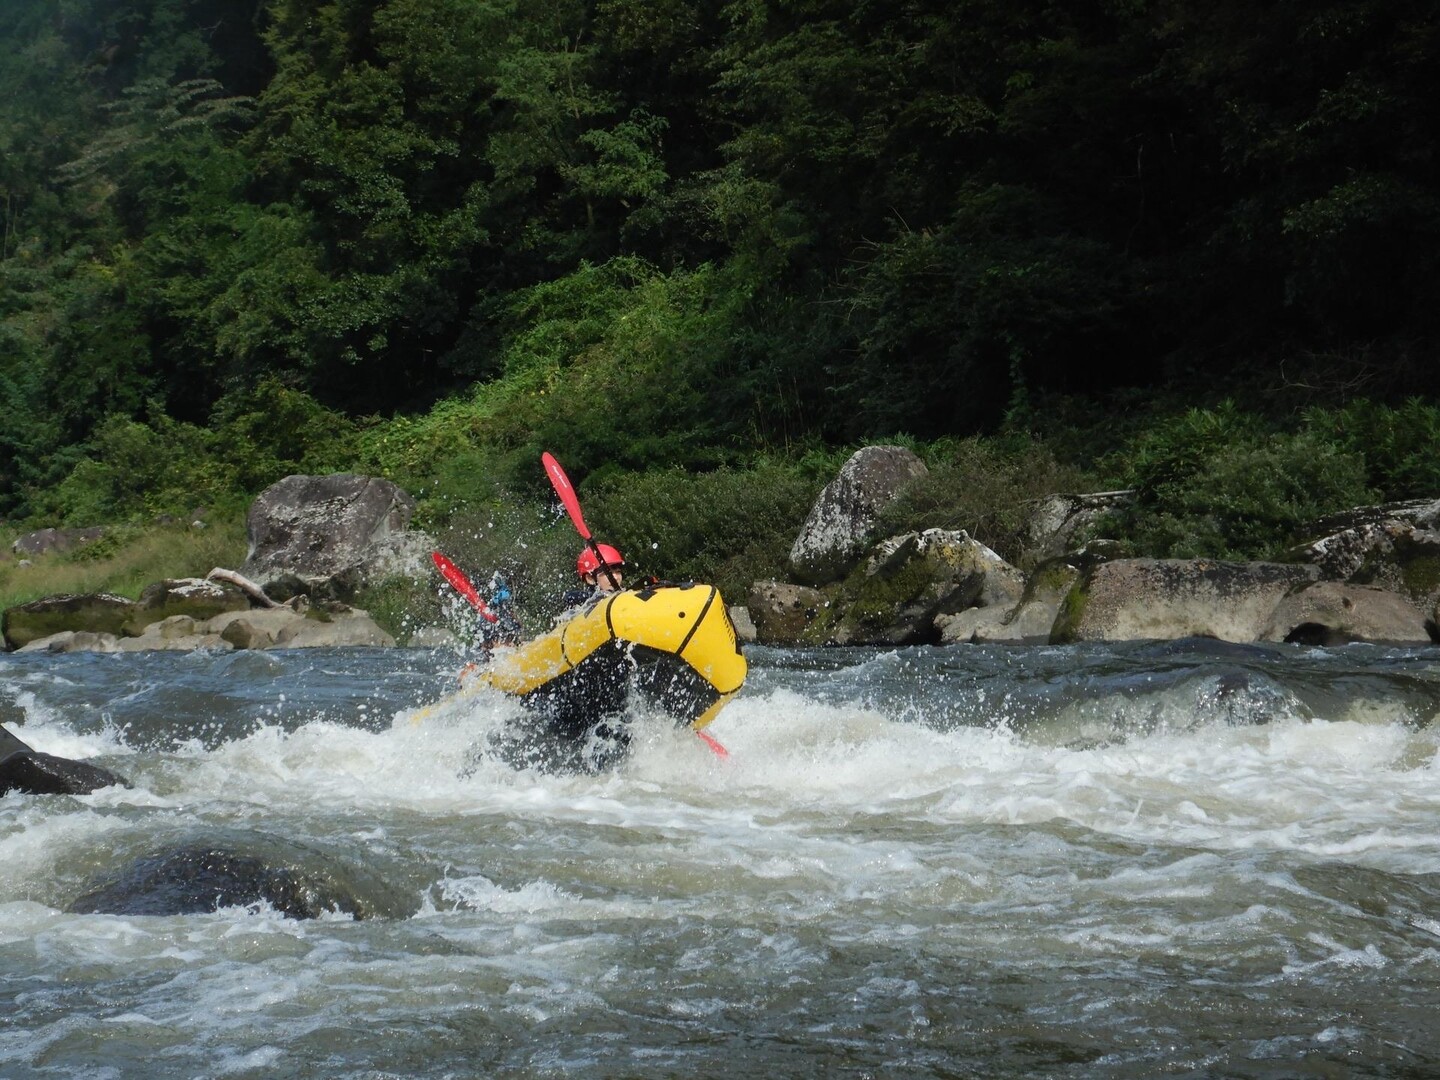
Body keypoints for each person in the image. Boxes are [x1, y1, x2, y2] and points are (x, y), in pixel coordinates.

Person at [558, 544, 625, 612]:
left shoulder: (624, 595)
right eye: (608, 573)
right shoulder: (586, 601)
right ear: (590, 579)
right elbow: (569, 597)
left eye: (618, 572)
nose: (616, 577)